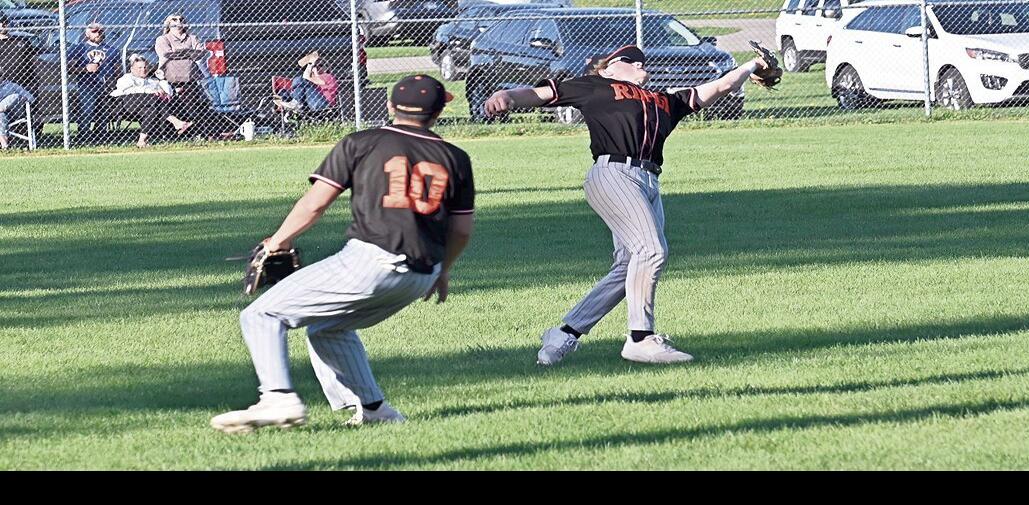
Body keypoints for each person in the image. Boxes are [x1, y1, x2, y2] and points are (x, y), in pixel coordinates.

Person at [211, 74, 475, 434]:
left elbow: (315, 204)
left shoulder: (361, 143)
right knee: (328, 326)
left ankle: (277, 398)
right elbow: (460, 230)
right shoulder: (456, 158)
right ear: (439, 111)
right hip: (422, 273)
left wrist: (277, 241)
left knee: (262, 314)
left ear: (389, 106)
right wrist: (443, 270)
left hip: (371, 261)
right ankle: (375, 409)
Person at [483, 45, 774, 365]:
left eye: (642, 60)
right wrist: (506, 95)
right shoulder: (595, 85)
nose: (638, 63)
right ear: (606, 69)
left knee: (627, 268)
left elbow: (721, 86)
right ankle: (640, 338)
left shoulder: (667, 99)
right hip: (613, 174)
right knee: (651, 251)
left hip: (649, 182)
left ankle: (564, 333)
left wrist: (753, 65)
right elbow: (540, 94)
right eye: (627, 60)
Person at [110, 55, 192, 147]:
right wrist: (149, 91)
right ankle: (175, 121)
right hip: (125, 104)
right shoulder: (126, 78)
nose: (143, 70)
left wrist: (162, 80)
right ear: (132, 69)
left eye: (145, 67)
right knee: (152, 97)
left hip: (147, 106)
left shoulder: (152, 81)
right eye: (139, 67)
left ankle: (141, 141)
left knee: (151, 110)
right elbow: (125, 91)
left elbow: (168, 92)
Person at [69, 22, 119, 144]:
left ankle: (102, 138)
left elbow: (118, 70)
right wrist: (85, 69)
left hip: (106, 85)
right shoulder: (79, 48)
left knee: (104, 113)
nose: (98, 34)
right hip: (87, 85)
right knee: (87, 111)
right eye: (94, 31)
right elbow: (68, 68)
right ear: (87, 33)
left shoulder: (112, 49)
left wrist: (115, 81)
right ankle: (84, 137)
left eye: (100, 31)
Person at [154, 13, 206, 131]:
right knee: (174, 104)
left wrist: (177, 53)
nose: (178, 21)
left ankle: (195, 130)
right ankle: (174, 128)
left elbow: (200, 54)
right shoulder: (163, 39)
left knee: (194, 104)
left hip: (190, 77)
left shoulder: (192, 38)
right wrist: (189, 53)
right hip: (171, 77)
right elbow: (166, 55)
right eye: (174, 19)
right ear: (169, 23)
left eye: (181, 19)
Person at [274, 52, 339, 114]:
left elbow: (306, 78)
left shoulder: (328, 76)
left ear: (326, 68)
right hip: (310, 104)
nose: (317, 67)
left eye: (321, 65)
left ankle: (294, 103)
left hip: (323, 104)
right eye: (315, 66)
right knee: (284, 91)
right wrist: (311, 65)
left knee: (299, 79)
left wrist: (311, 64)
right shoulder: (308, 83)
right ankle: (286, 102)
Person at [0, 13, 37, 98]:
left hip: (26, 82)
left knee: (28, 105)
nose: (2, 24)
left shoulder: (21, 41)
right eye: (0, 22)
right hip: (5, 85)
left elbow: (33, 60)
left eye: (4, 21)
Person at [0, 66, 34, 150]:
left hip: (15, 113)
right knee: (1, 115)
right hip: (3, 115)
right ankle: (5, 146)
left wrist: (21, 98)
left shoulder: (12, 86)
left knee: (15, 96)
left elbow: (30, 98)